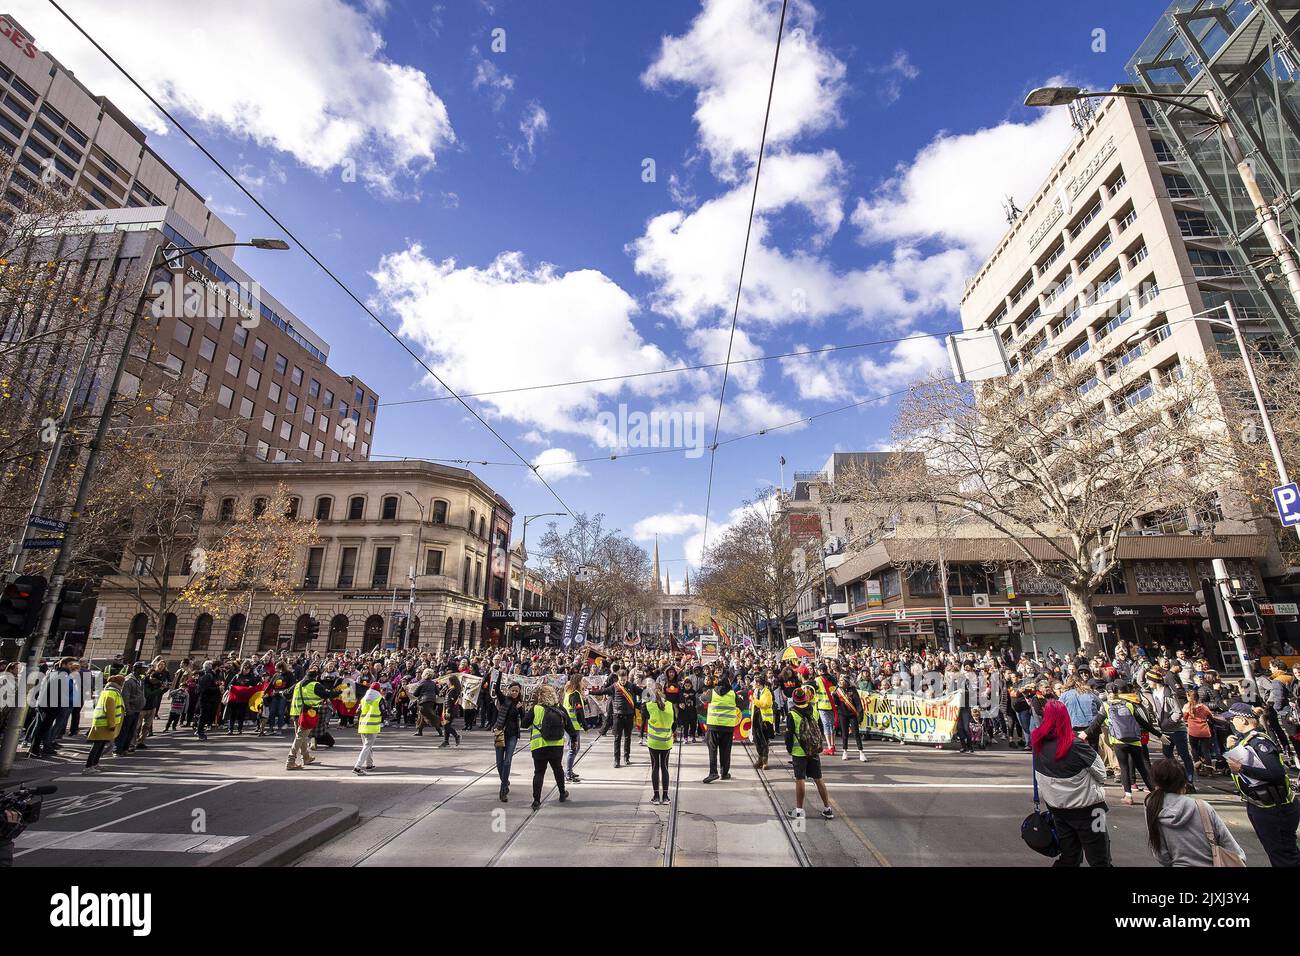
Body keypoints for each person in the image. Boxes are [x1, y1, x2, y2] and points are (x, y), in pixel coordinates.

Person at [1032, 700, 1110, 867]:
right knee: (1100, 858)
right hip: (1091, 810)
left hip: (1058, 809)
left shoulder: (1038, 744)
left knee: (1069, 856)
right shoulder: (1077, 746)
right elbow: (1102, 774)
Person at [1223, 701, 1299, 867]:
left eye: (1233, 719)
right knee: (1278, 853)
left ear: (1243, 720)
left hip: (1275, 809)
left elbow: (1276, 774)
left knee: (1284, 856)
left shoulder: (1260, 742)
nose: (1231, 722)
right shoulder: (1246, 740)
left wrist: (1242, 768)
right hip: (1262, 806)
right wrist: (1232, 746)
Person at [1145, 757, 1245, 867]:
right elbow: (1230, 846)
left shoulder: (1153, 807)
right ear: (1183, 783)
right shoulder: (1202, 807)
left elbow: (1161, 855)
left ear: (1156, 783)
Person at [1086, 681, 1158, 805]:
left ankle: (1128, 796)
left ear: (1109, 694)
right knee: (1142, 768)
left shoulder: (1106, 706)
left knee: (1124, 768)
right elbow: (1142, 722)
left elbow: (1096, 723)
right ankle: (1156, 794)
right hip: (1135, 740)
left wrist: (1084, 734)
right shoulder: (1129, 704)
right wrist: (1159, 735)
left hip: (1118, 741)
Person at [785, 687, 834, 820]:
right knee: (818, 778)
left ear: (794, 700)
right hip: (813, 750)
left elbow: (789, 735)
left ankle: (800, 811)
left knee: (800, 779)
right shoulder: (814, 710)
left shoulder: (792, 714)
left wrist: (789, 749)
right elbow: (820, 727)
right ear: (806, 698)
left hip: (799, 751)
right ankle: (827, 808)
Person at [520, 684, 569, 811]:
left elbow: (524, 724)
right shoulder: (559, 708)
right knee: (558, 769)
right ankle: (562, 793)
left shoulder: (536, 708)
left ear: (540, 696)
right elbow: (569, 726)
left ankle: (536, 800)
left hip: (539, 746)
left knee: (539, 772)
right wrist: (574, 739)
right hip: (556, 746)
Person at [591, 667, 639, 768]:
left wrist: (651, 693)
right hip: (618, 716)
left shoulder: (632, 686)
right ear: (618, 678)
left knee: (628, 737)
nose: (623, 681)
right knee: (617, 738)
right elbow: (603, 691)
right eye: (621, 680)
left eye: (624, 679)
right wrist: (591, 692)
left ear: (627, 678)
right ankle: (616, 760)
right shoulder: (614, 686)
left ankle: (627, 758)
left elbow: (642, 692)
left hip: (629, 715)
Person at [83, 674, 125, 775]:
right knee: (97, 745)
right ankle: (89, 767)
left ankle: (95, 764)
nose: (123, 684)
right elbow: (109, 710)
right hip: (104, 723)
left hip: (103, 723)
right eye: (122, 682)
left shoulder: (110, 691)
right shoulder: (112, 693)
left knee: (100, 745)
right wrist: (112, 724)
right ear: (118, 683)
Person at [701, 671, 738, 783]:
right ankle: (724, 773)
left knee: (712, 750)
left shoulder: (712, 692)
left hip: (713, 726)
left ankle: (713, 773)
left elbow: (702, 699)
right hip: (727, 727)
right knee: (726, 750)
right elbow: (740, 703)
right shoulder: (733, 694)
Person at [493, 679, 524, 802]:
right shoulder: (504, 699)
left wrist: (520, 709)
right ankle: (505, 780)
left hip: (512, 735)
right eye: (513, 690)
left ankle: (503, 789)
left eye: (517, 691)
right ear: (509, 690)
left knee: (507, 762)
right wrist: (499, 673)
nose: (515, 692)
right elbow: (496, 689)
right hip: (500, 733)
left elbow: (524, 720)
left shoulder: (520, 703)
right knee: (499, 763)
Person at [645, 680, 674, 804]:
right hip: (666, 741)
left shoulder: (649, 706)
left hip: (653, 742)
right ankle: (666, 797)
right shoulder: (670, 705)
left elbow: (643, 719)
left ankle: (656, 796)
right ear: (662, 692)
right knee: (665, 767)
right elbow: (675, 722)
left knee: (655, 767)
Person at [562, 673, 585, 784]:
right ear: (578, 682)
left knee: (575, 748)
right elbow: (579, 711)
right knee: (573, 749)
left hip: (569, 725)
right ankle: (568, 774)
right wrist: (585, 725)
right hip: (572, 727)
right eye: (582, 681)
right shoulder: (575, 695)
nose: (583, 683)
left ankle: (569, 770)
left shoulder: (568, 693)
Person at [750, 673, 774, 770]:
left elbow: (764, 704)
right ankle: (759, 759)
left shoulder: (767, 692)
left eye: (755, 682)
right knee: (757, 740)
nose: (753, 684)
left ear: (759, 683)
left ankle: (765, 761)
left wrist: (753, 700)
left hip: (764, 720)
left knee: (764, 740)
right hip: (756, 718)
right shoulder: (755, 691)